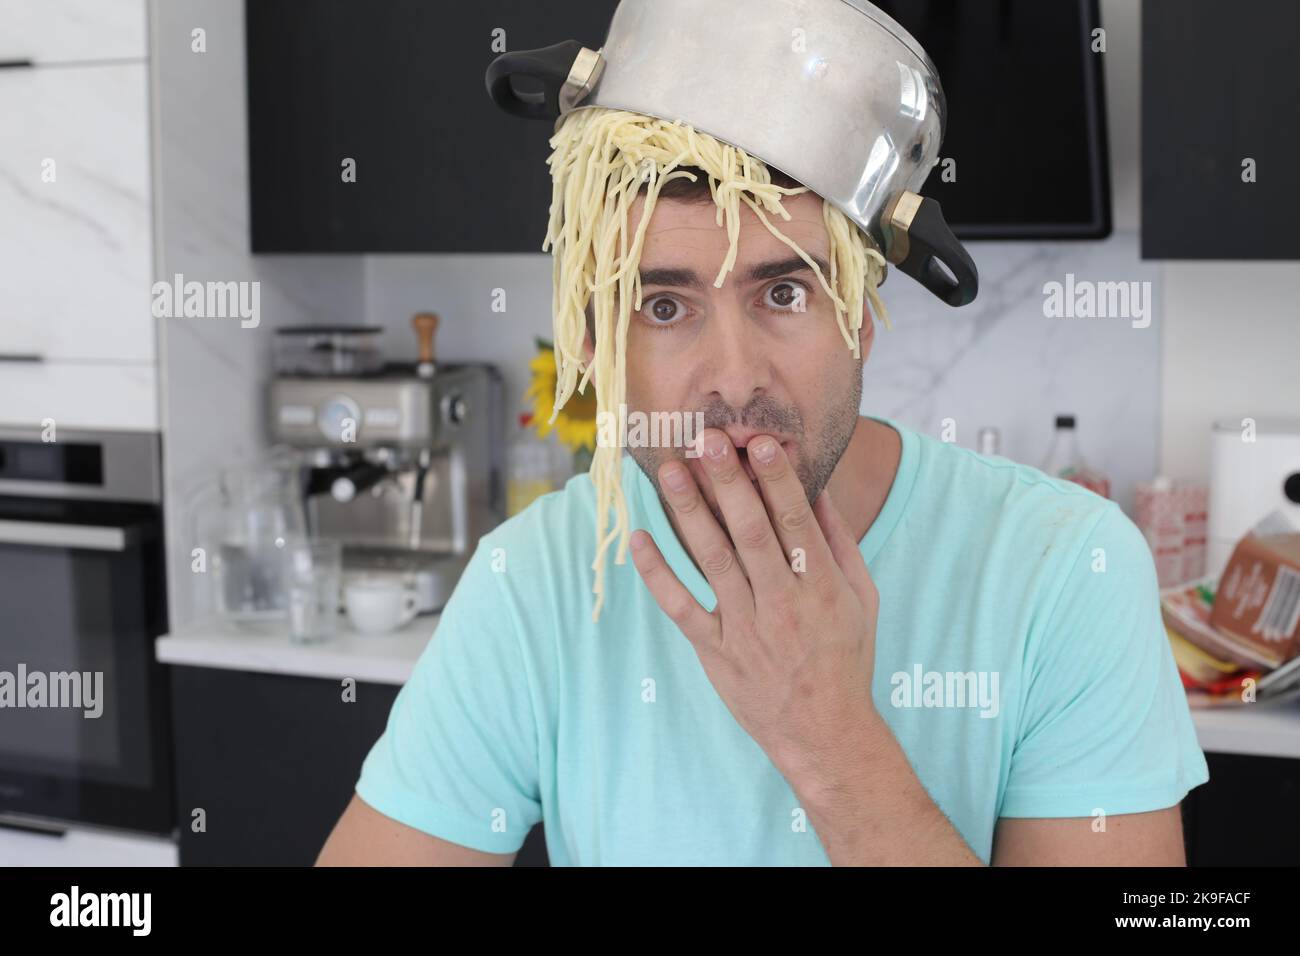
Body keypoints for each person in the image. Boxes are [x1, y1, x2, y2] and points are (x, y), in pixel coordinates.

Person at [317, 114, 1208, 866]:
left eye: (784, 291)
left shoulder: (1067, 565)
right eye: (663, 307)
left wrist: (828, 738)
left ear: (859, 317)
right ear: (591, 347)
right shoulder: (542, 577)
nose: (735, 380)